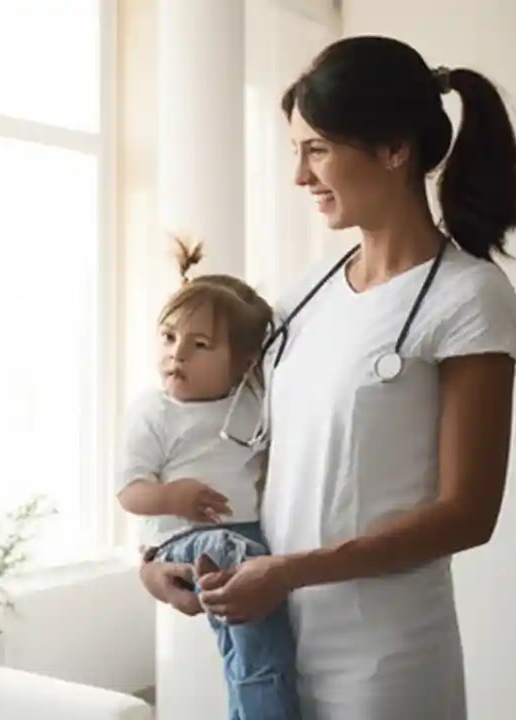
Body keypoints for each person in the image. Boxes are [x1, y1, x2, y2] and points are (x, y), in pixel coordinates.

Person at [147, 35, 516, 720]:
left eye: (316, 148)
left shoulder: (469, 299)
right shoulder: (304, 296)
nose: (300, 175)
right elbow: (240, 451)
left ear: (393, 149)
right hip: (272, 642)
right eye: (296, 150)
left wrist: (290, 571)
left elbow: (469, 514)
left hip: (386, 665)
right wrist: (164, 552)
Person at [117, 237, 300, 719]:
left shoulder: (250, 404)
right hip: (185, 541)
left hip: (245, 536)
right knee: (242, 580)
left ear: (243, 365)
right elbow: (129, 492)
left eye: (199, 346)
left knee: (251, 645)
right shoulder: (155, 412)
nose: (178, 354)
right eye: (170, 338)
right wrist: (172, 496)